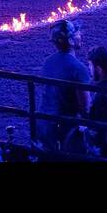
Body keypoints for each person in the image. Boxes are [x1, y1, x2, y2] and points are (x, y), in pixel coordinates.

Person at [39, 19, 93, 154]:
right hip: (66, 129)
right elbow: (85, 107)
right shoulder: (78, 68)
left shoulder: (48, 62)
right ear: (70, 40)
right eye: (77, 33)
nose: (80, 35)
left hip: (46, 124)